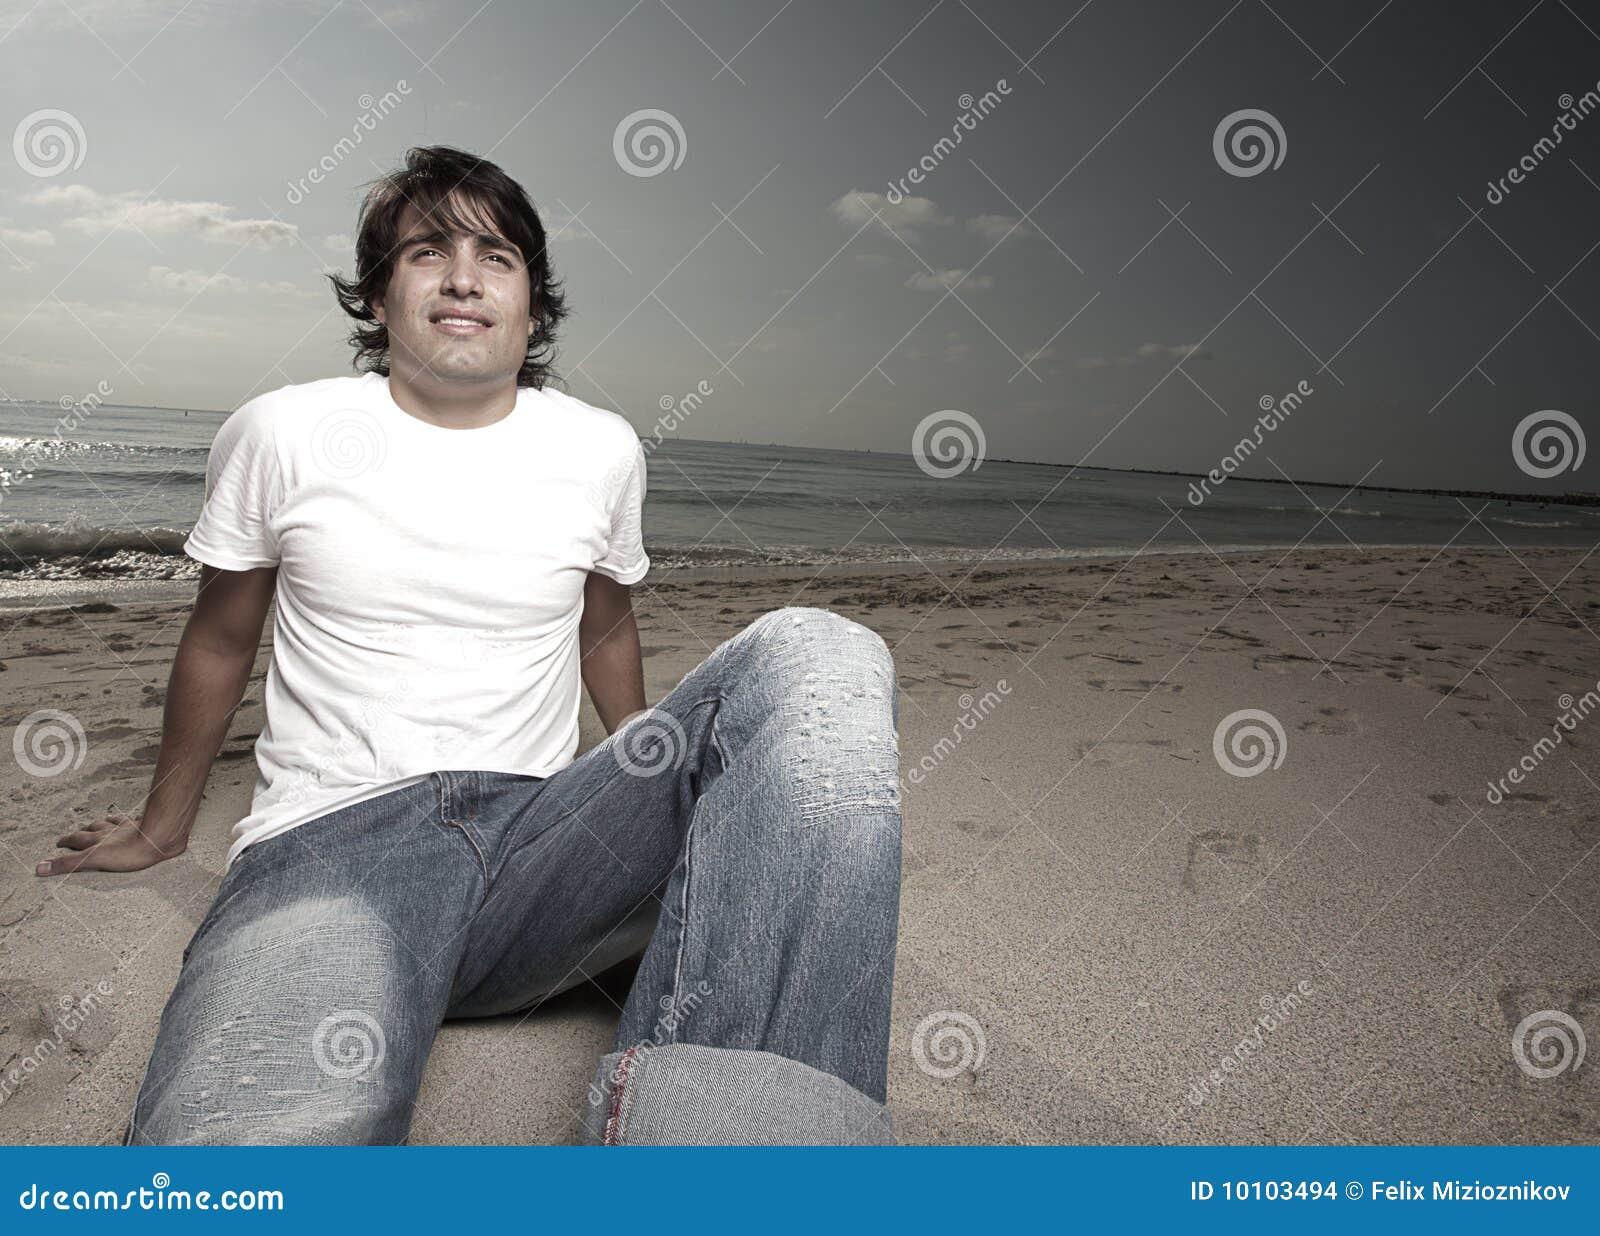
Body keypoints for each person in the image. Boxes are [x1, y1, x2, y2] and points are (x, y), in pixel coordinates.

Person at [36, 146, 903, 1146]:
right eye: (425, 252)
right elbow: (222, 637)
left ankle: (745, 1171)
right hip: (336, 850)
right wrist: (160, 824)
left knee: (818, 649)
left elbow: (604, 621)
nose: (461, 277)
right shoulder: (281, 431)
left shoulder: (600, 448)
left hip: (546, 849)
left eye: (495, 255)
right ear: (377, 295)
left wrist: (662, 773)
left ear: (532, 304)